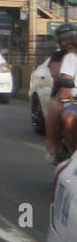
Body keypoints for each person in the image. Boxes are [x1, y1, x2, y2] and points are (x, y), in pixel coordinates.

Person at [45, 23, 77, 160]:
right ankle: (52, 146)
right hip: (64, 92)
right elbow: (58, 75)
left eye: (70, 38)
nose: (67, 42)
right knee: (55, 107)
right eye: (63, 40)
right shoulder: (60, 56)